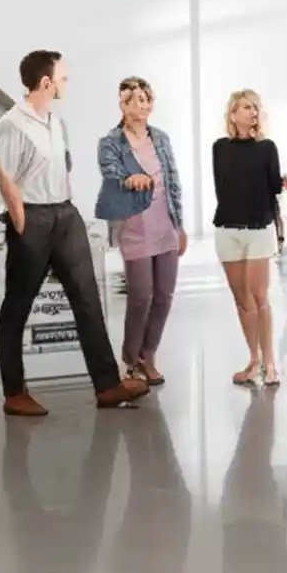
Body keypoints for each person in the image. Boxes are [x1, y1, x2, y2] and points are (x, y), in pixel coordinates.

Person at [0, 50, 148, 416]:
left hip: (65, 215)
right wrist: (22, 223)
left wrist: (65, 212)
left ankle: (107, 385)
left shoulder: (55, 122)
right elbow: (7, 179)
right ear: (45, 82)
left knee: (88, 299)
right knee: (17, 306)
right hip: (33, 219)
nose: (66, 82)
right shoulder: (10, 125)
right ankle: (14, 392)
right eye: (62, 77)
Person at [95, 76, 186, 386]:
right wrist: (129, 180)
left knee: (164, 296)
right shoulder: (110, 142)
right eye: (134, 99)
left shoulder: (160, 138)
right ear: (122, 105)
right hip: (135, 227)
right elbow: (112, 175)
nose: (142, 105)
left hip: (166, 226)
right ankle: (130, 359)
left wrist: (181, 225)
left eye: (146, 99)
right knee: (141, 297)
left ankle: (149, 355)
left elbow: (173, 182)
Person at [213, 89, 283, 386]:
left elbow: (273, 190)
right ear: (233, 114)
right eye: (245, 107)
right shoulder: (219, 147)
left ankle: (270, 362)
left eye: (255, 107)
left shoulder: (267, 148)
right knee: (241, 300)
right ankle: (252, 361)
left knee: (259, 296)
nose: (252, 112)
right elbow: (222, 188)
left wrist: (278, 229)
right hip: (227, 229)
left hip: (258, 229)